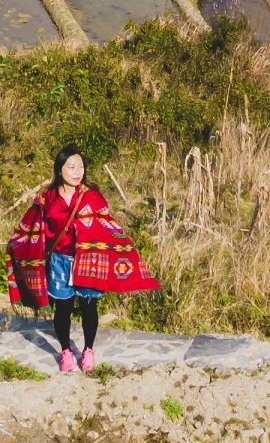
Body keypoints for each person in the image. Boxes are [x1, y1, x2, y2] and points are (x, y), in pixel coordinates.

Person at [9, 146, 158, 373]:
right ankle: (66, 351)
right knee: (63, 309)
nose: (77, 171)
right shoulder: (47, 199)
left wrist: (124, 249)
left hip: (89, 261)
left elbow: (109, 225)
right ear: (60, 170)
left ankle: (88, 349)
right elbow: (30, 226)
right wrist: (17, 244)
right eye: (71, 167)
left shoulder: (92, 197)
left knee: (89, 308)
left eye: (80, 167)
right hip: (60, 261)